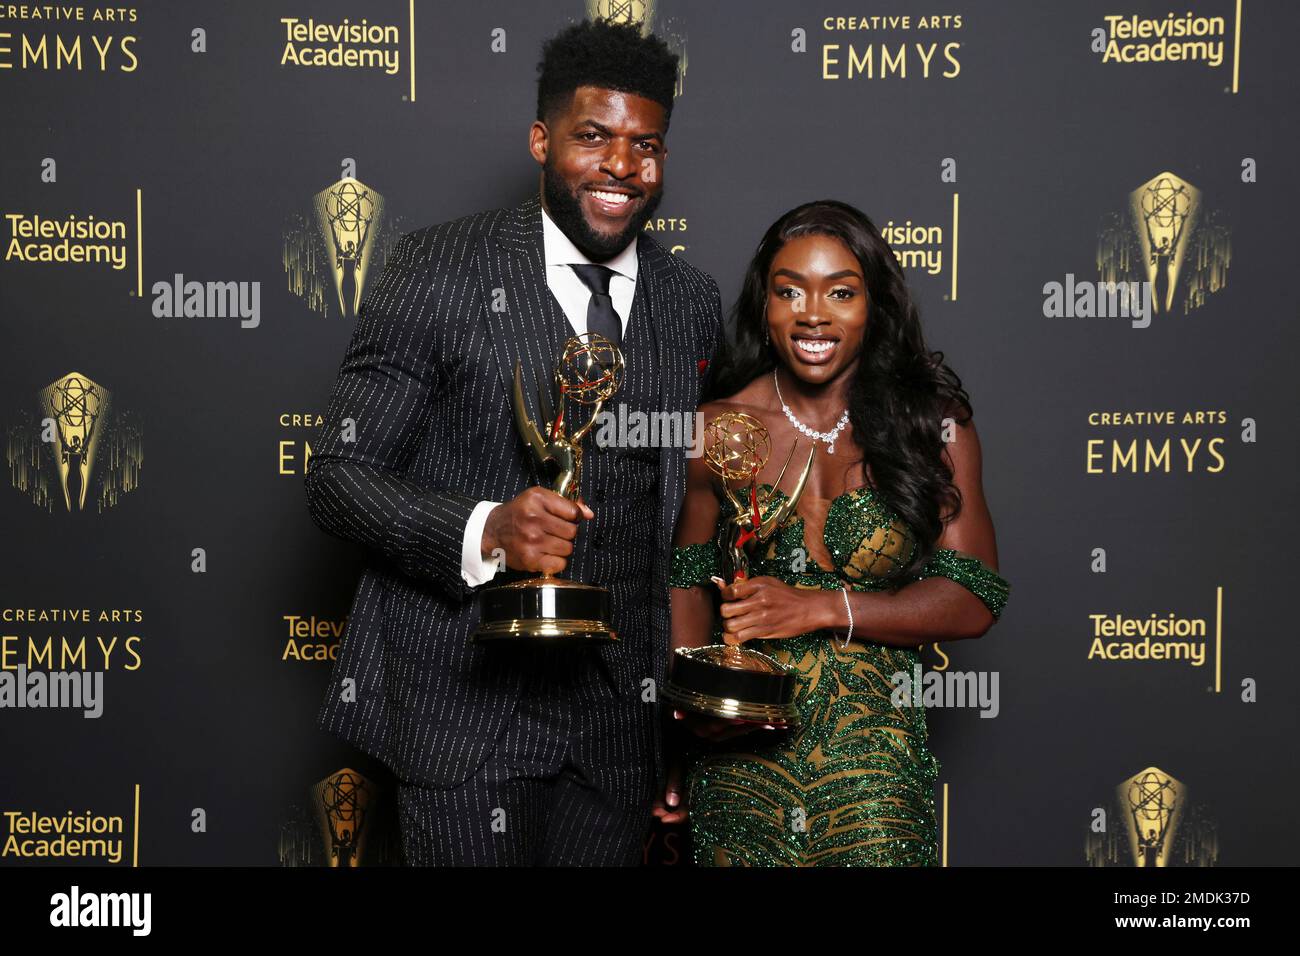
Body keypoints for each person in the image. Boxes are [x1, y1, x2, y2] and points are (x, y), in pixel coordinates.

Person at [305, 18, 724, 866]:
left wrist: (678, 734)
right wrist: (487, 530)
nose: (621, 166)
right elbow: (336, 476)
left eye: (646, 145)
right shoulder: (439, 268)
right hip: (464, 703)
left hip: (618, 724)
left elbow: (680, 526)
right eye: (593, 137)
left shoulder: (691, 303)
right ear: (541, 140)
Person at [653, 200, 1009, 866]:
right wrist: (684, 737)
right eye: (789, 291)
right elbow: (687, 584)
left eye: (840, 293)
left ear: (873, 304)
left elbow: (973, 596)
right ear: (765, 305)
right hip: (742, 761)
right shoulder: (714, 429)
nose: (812, 314)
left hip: (874, 770)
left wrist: (818, 607)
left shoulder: (931, 426)